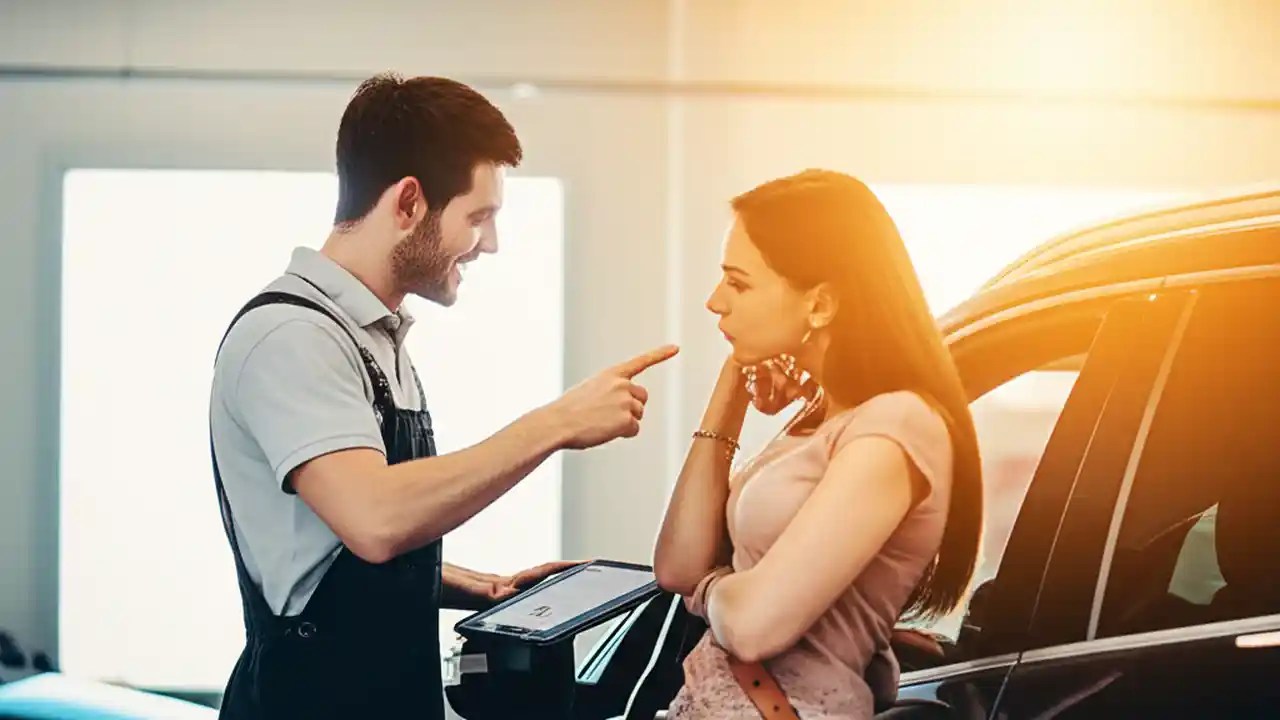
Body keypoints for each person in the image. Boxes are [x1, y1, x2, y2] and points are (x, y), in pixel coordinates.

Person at [208, 73, 677, 720]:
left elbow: (329, 557)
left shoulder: (374, 339)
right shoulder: (292, 336)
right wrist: (557, 423)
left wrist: (483, 588)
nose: (491, 243)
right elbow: (375, 520)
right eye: (478, 217)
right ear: (407, 203)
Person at [654, 169, 983, 719]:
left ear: (821, 305)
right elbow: (675, 565)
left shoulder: (895, 426)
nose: (715, 302)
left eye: (739, 283)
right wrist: (733, 384)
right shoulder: (825, 417)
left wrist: (712, 589)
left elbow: (756, 627)